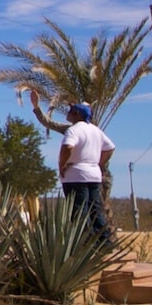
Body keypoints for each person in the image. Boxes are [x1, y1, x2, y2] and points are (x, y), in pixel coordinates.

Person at [59, 102, 115, 244]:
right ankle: (105, 242)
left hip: (75, 175)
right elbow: (110, 148)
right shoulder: (95, 130)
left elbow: (68, 147)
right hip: (93, 174)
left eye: (71, 110)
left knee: (79, 211)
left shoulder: (73, 130)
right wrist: (98, 164)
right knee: (95, 209)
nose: (68, 112)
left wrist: (62, 164)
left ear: (77, 114)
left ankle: (87, 243)